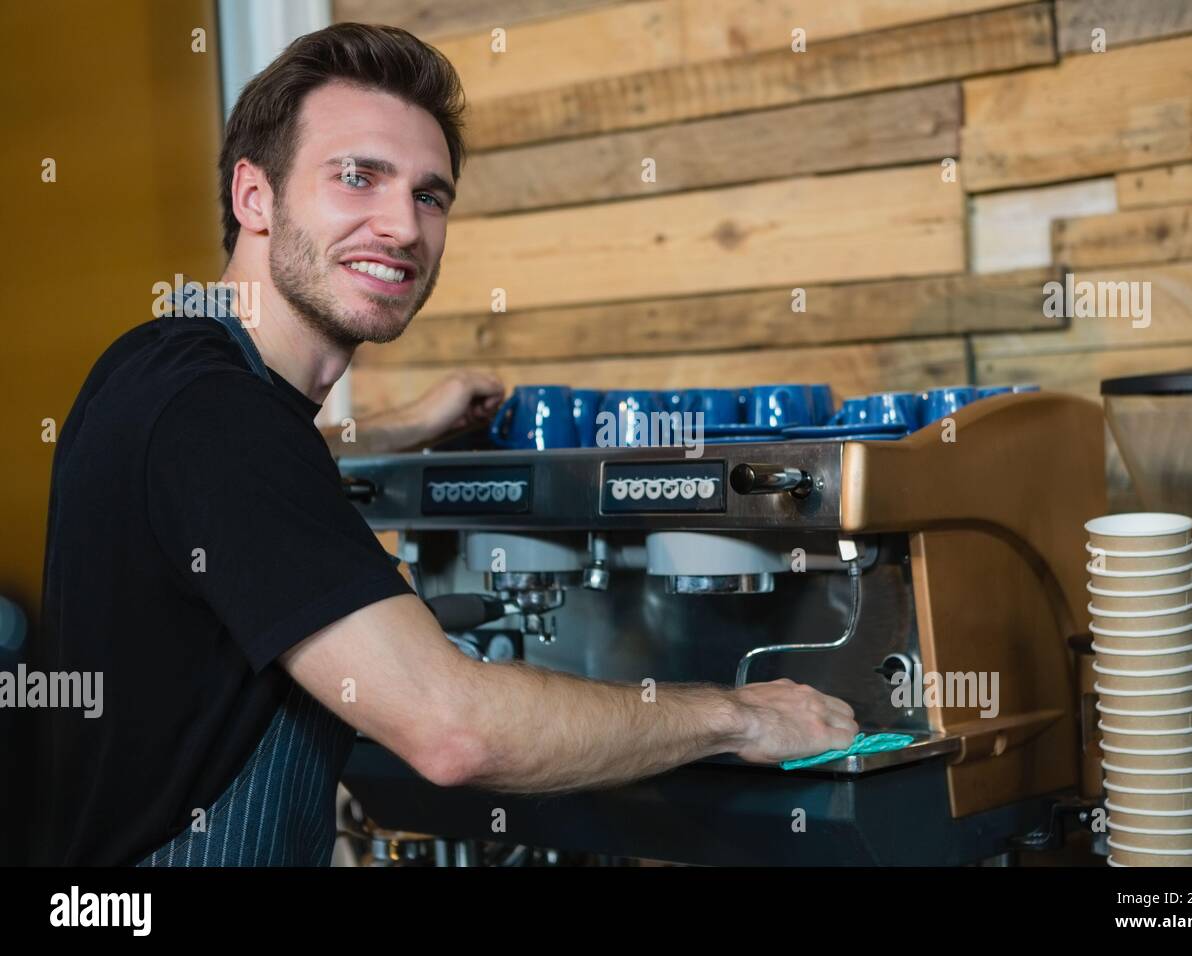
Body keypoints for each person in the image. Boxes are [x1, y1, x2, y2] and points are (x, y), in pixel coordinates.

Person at [29, 22, 857, 867]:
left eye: (430, 195)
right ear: (254, 197)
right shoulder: (217, 416)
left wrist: (399, 430)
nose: (402, 227)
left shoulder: (159, 362)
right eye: (358, 177)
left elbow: (256, 482)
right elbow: (452, 730)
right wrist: (742, 715)